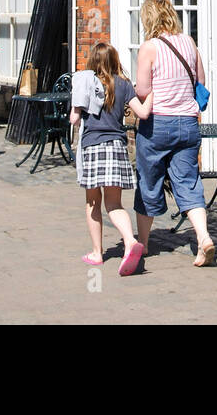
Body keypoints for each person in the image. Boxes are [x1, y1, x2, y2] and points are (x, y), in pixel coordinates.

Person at [132, 0, 217, 267]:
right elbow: (200, 81)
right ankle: (203, 238)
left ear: (149, 19)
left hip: (158, 124)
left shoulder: (149, 47)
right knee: (188, 180)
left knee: (149, 181)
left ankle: (143, 244)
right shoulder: (189, 43)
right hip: (189, 123)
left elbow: (143, 90)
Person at [69, 42, 152, 276]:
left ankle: (97, 253)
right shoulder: (124, 84)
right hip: (116, 146)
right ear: (115, 60)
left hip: (92, 147)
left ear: (94, 61)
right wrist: (154, 91)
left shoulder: (86, 82)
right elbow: (143, 113)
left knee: (93, 202)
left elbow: (75, 119)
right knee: (114, 204)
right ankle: (129, 240)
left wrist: (75, 111)